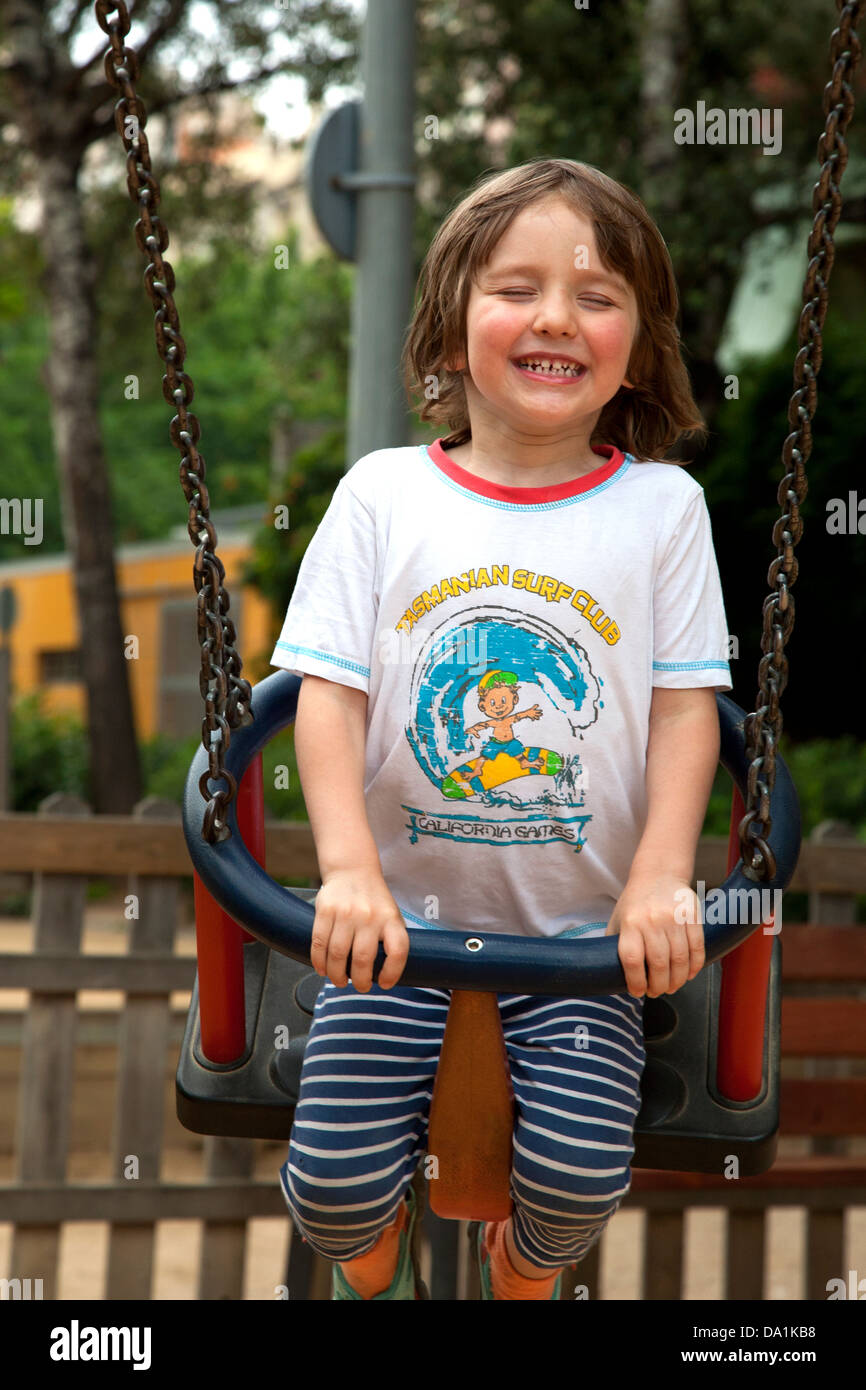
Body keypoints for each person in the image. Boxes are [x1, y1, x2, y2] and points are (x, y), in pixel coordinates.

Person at [269, 158, 732, 1300]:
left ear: (638, 338)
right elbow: (325, 695)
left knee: (576, 1181)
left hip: (579, 943)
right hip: (390, 939)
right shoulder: (382, 495)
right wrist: (345, 872)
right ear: (447, 319)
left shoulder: (661, 509)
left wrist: (662, 877)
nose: (554, 318)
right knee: (331, 1182)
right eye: (516, 286)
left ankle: (520, 1278)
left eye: (596, 294)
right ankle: (371, 1279)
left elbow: (684, 710)